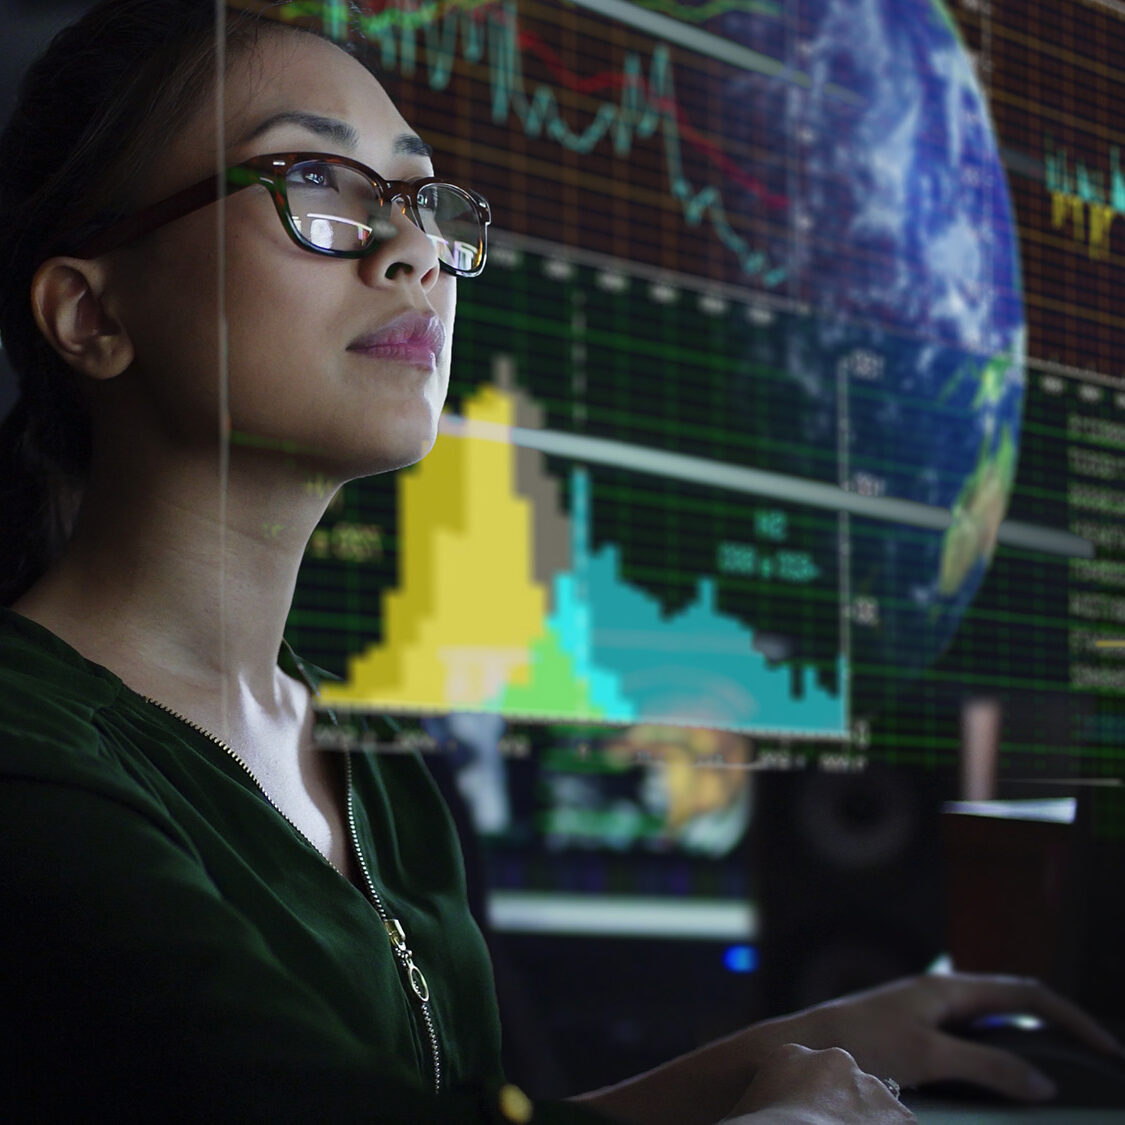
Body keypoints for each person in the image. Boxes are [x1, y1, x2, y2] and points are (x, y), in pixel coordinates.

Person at [0, 1, 1116, 1121]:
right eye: (317, 186)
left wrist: (785, 1052)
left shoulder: (367, 757)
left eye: (421, 200)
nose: (415, 254)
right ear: (89, 314)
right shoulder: (30, 754)